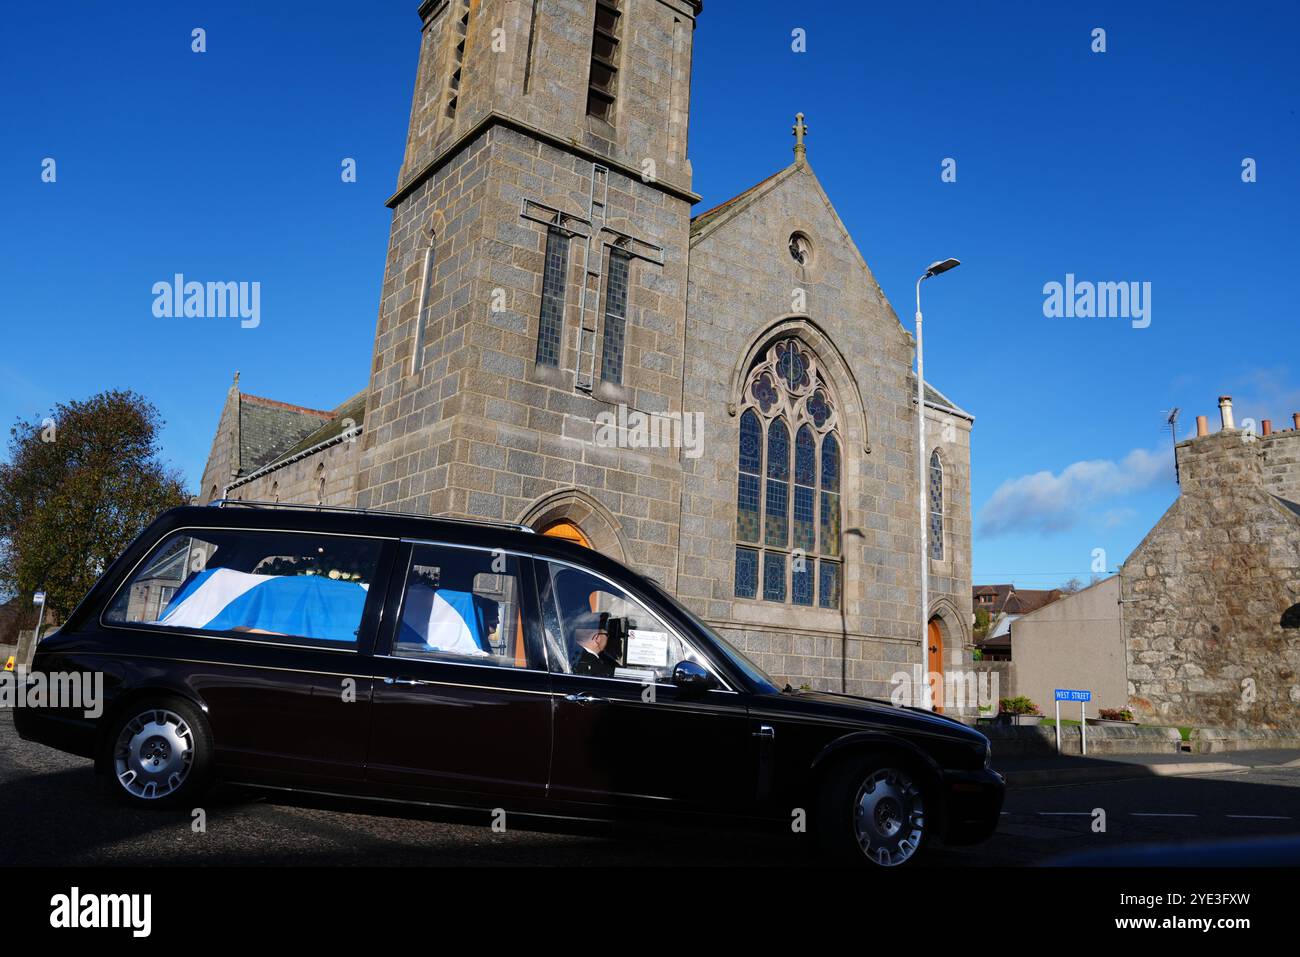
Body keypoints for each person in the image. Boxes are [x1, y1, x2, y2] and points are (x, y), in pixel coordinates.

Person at [571, 611, 616, 677]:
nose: (608, 638)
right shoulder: (598, 668)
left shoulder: (572, 657)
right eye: (607, 635)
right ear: (597, 638)